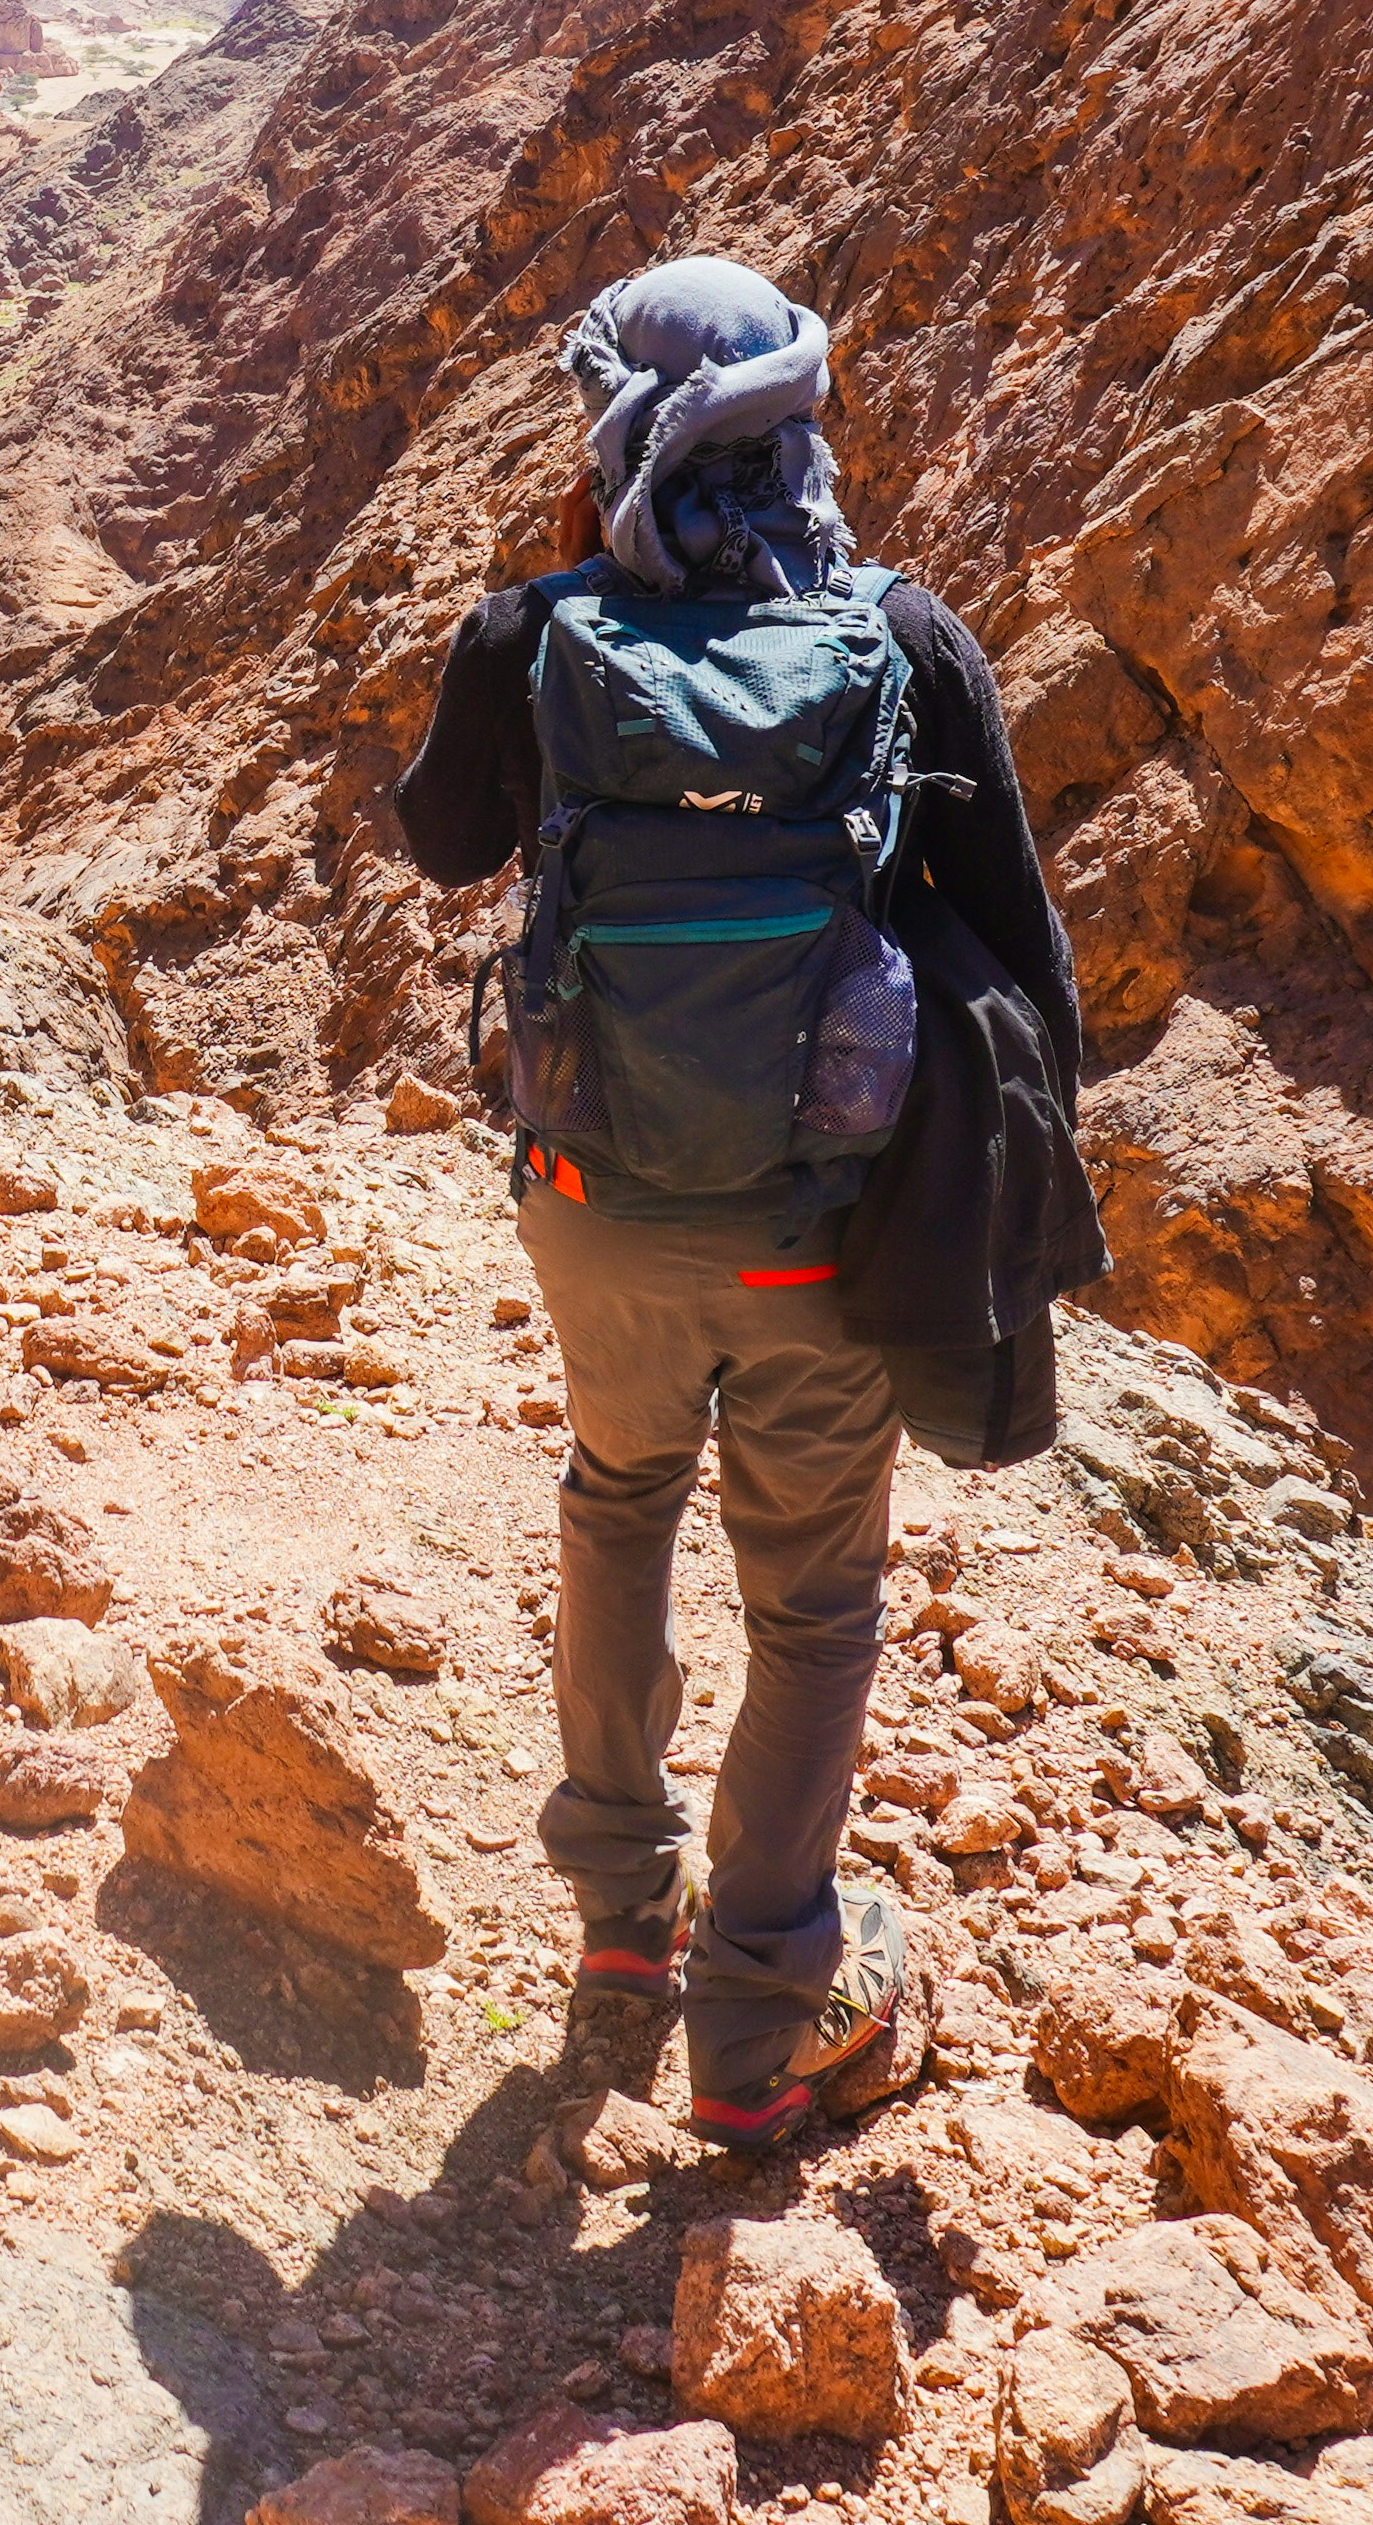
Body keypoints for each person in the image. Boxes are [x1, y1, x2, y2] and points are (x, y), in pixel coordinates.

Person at [390, 255, 1087, 2150]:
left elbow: (441, 836)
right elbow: (1021, 950)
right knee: (815, 1609)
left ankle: (626, 1927)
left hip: (594, 1197)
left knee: (617, 1505)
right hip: (818, 1223)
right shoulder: (900, 637)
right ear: (805, 431)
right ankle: (759, 2020)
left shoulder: (535, 629)